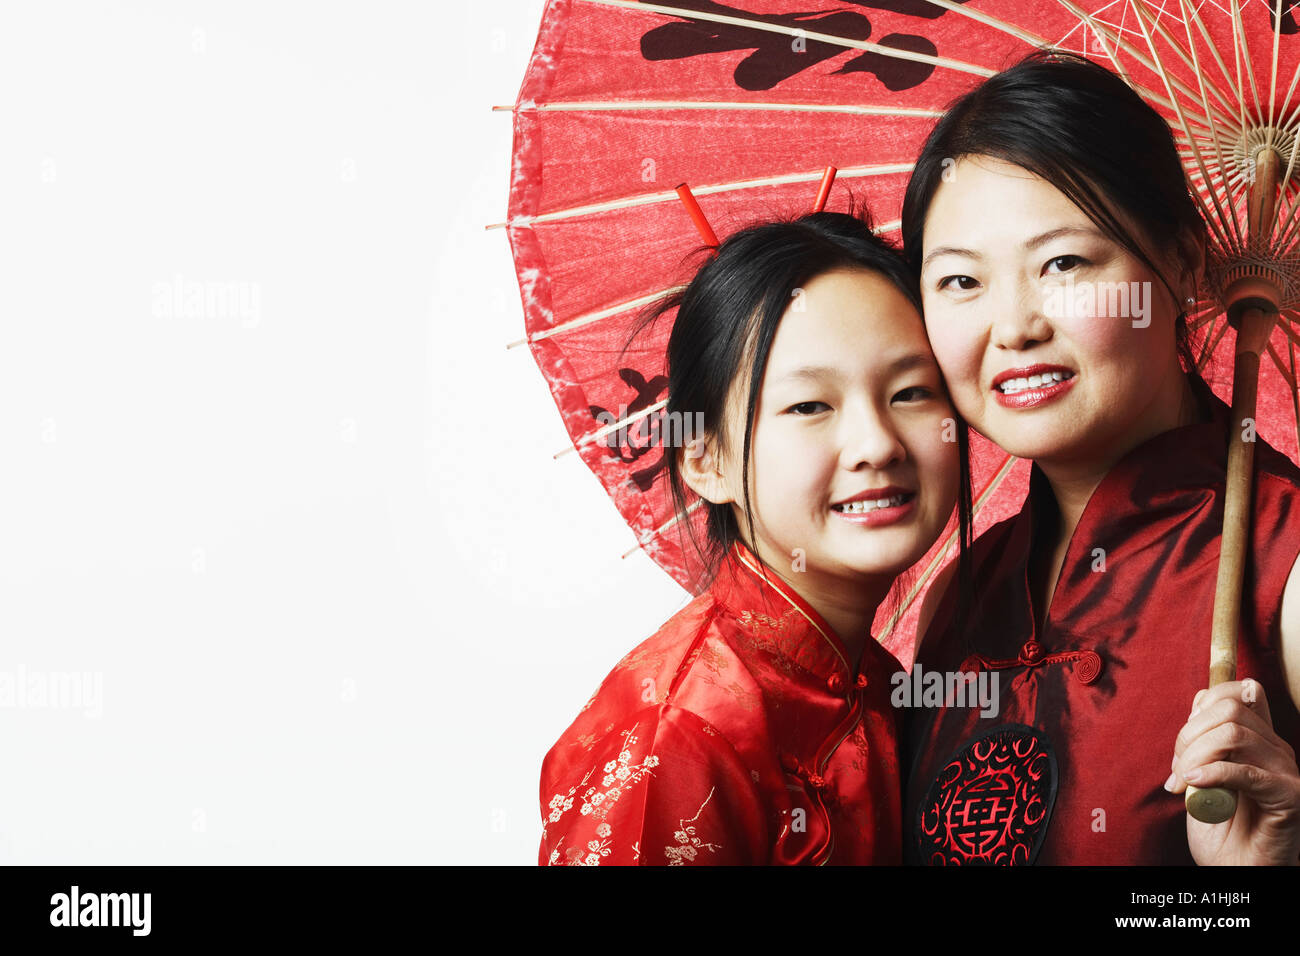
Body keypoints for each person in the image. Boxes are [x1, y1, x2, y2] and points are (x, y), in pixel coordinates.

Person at [899, 50, 1300, 865]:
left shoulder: (1285, 572)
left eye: (1064, 263)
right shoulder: (957, 597)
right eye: (960, 282)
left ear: (1184, 263)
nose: (1013, 327)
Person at [537, 208, 970, 865]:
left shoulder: (878, 683)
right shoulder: (678, 733)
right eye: (810, 406)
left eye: (911, 392)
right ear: (705, 460)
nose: (878, 444)